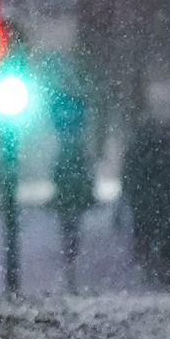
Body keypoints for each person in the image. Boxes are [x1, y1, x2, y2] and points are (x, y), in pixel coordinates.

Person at [119, 109, 170, 295]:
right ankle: (161, 268)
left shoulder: (138, 146)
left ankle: (150, 267)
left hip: (143, 201)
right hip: (160, 201)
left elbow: (128, 175)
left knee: (145, 233)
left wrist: (131, 195)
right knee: (162, 233)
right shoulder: (162, 147)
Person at [46, 79, 99, 288]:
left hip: (70, 187)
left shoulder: (67, 121)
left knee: (69, 225)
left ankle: (70, 260)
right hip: (72, 186)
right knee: (71, 225)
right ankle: (71, 260)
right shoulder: (74, 121)